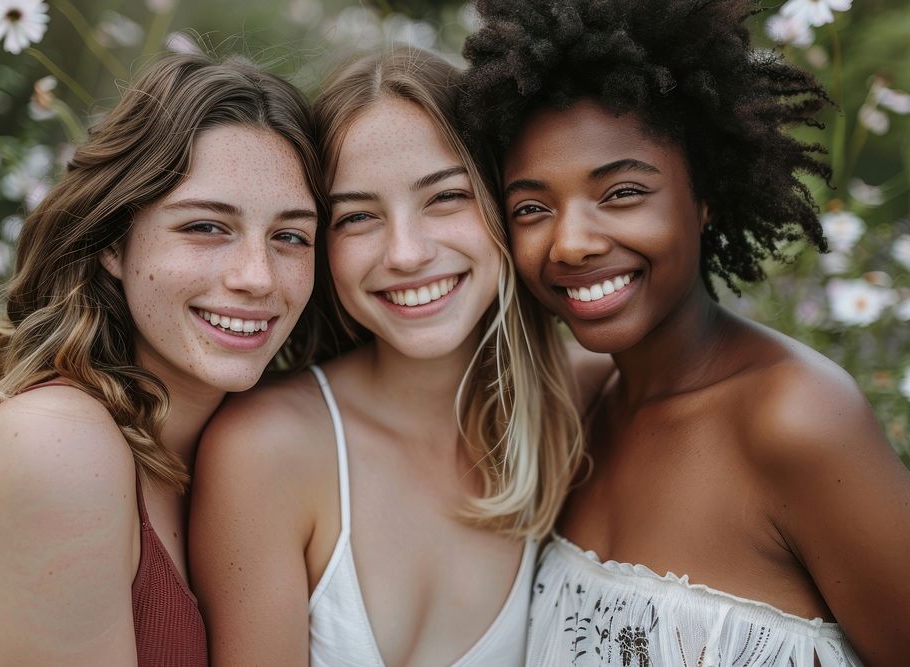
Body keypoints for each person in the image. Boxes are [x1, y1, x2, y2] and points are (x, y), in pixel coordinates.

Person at [459, 0, 910, 664]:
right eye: (531, 207)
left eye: (621, 193)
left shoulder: (797, 419)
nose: (572, 242)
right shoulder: (575, 412)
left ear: (704, 196)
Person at [0, 51, 325, 666]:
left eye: (290, 236)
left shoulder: (244, 453)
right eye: (206, 227)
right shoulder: (56, 445)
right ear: (113, 243)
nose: (258, 277)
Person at [190, 45, 584, 666]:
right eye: (356, 217)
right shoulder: (269, 449)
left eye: (445, 197)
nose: (405, 254)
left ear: (506, 204)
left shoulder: (576, 410)